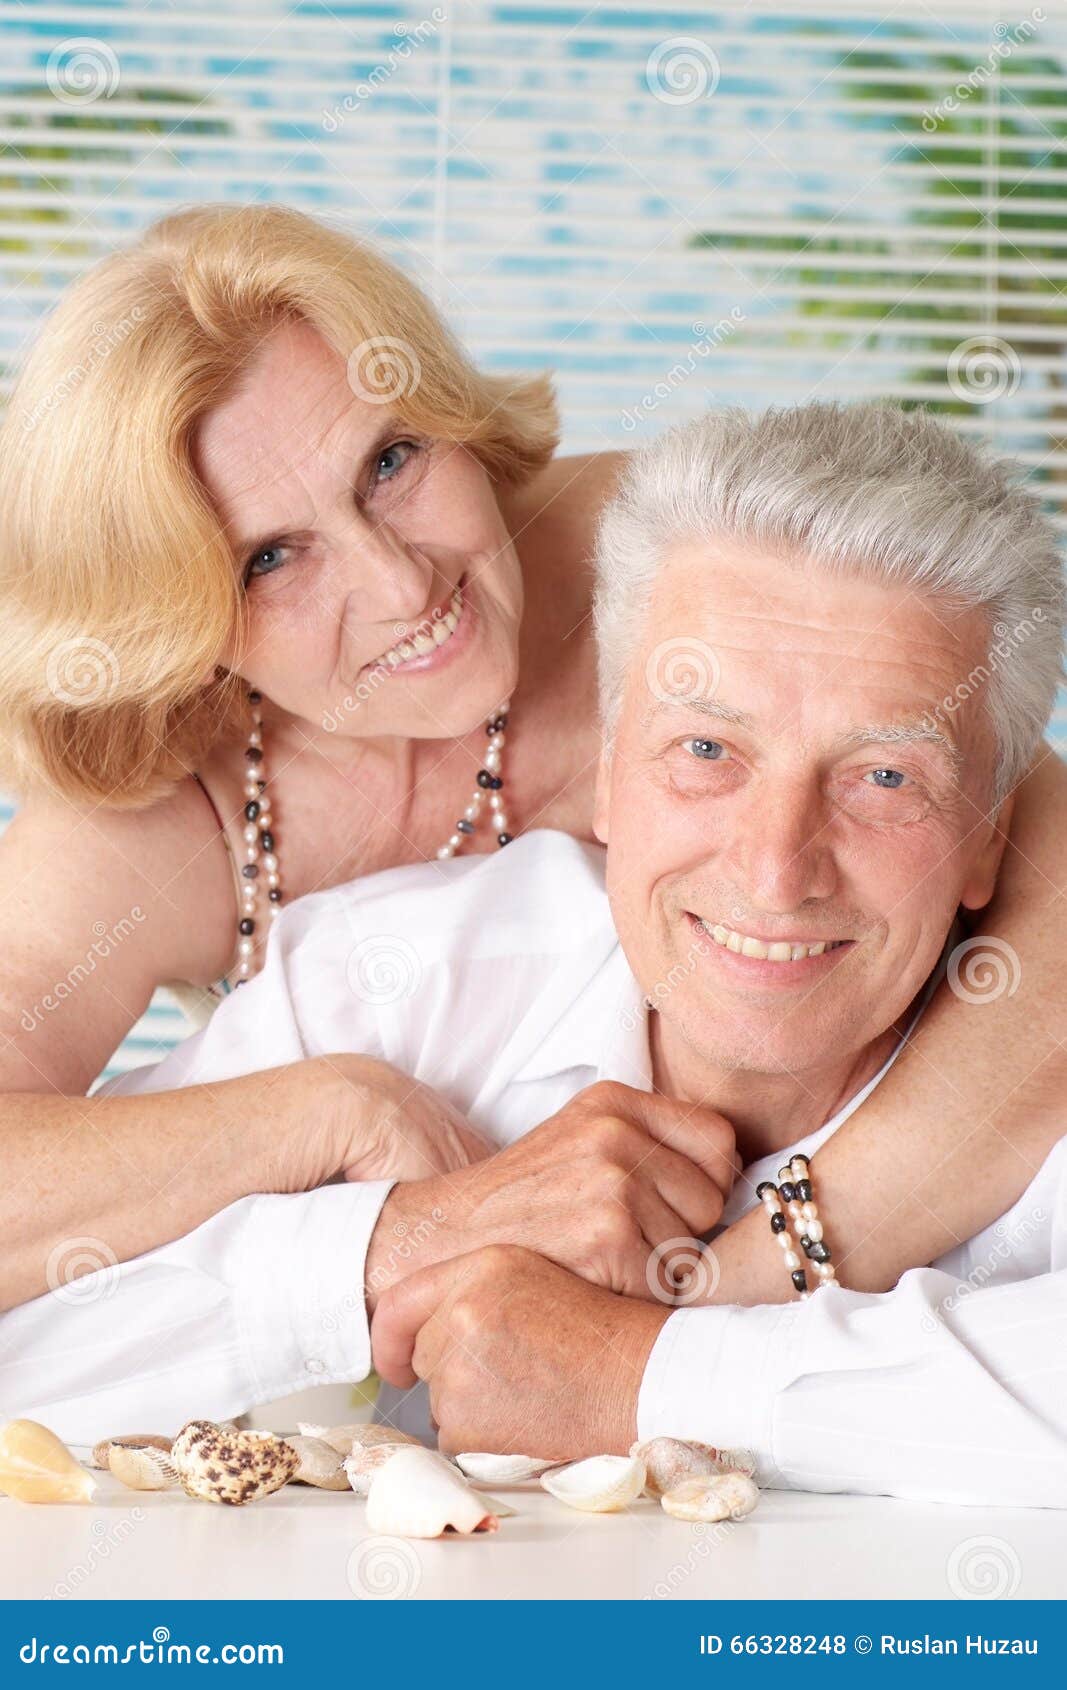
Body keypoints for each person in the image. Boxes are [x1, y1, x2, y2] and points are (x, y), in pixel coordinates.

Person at [0, 204, 1062, 1317]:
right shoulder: (164, 808)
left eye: (391, 460)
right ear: (168, 622)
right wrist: (334, 1115)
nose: (400, 584)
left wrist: (725, 1294)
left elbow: (1028, 883)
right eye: (270, 558)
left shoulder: (678, 569)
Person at [7, 401, 1064, 1507]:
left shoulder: (1036, 1082)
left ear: (990, 836)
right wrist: (390, 1246)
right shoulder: (384, 981)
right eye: (706, 749)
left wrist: (633, 1375)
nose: (773, 870)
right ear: (603, 774)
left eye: (884, 777)